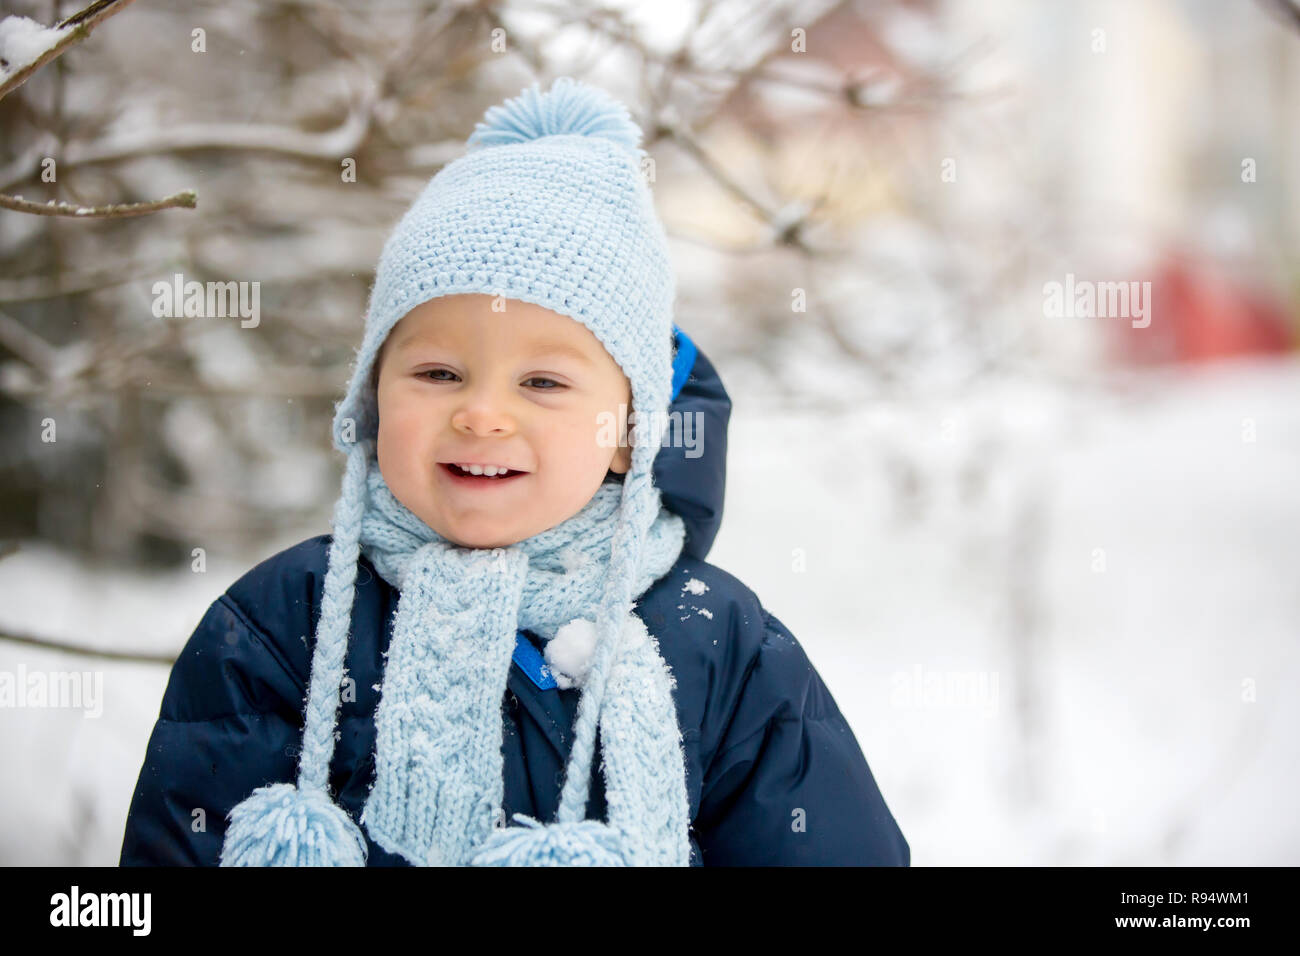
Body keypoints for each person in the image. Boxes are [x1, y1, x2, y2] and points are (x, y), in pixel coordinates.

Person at [118, 77, 909, 866]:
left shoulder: (722, 647)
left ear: (630, 435)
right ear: (372, 399)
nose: (482, 415)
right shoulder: (284, 625)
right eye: (437, 374)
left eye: (542, 384)